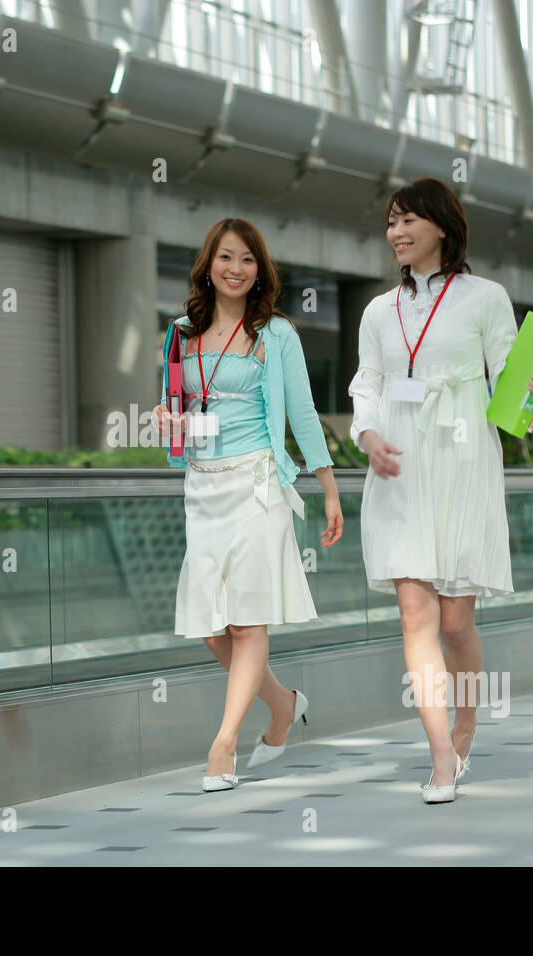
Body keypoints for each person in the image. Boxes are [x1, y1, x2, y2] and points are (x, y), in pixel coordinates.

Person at [347, 178, 533, 804]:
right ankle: (441, 755)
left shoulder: (487, 298)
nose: (396, 233)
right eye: (390, 222)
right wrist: (366, 435)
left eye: (407, 220)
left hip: (464, 457)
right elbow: (368, 382)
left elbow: (514, 391)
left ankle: (468, 717)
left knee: (455, 622)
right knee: (415, 612)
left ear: (441, 225)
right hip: (399, 463)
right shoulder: (378, 311)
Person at [151, 217, 343, 792]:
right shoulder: (179, 334)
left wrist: (329, 489)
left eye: (248, 260)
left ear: (260, 270)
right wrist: (164, 420)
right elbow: (173, 409)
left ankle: (223, 745)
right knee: (213, 630)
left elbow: (303, 416)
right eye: (226, 258)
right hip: (203, 487)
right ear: (208, 264)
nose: (236, 269)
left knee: (245, 619)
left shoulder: (276, 333)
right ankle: (282, 705)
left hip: (259, 484)